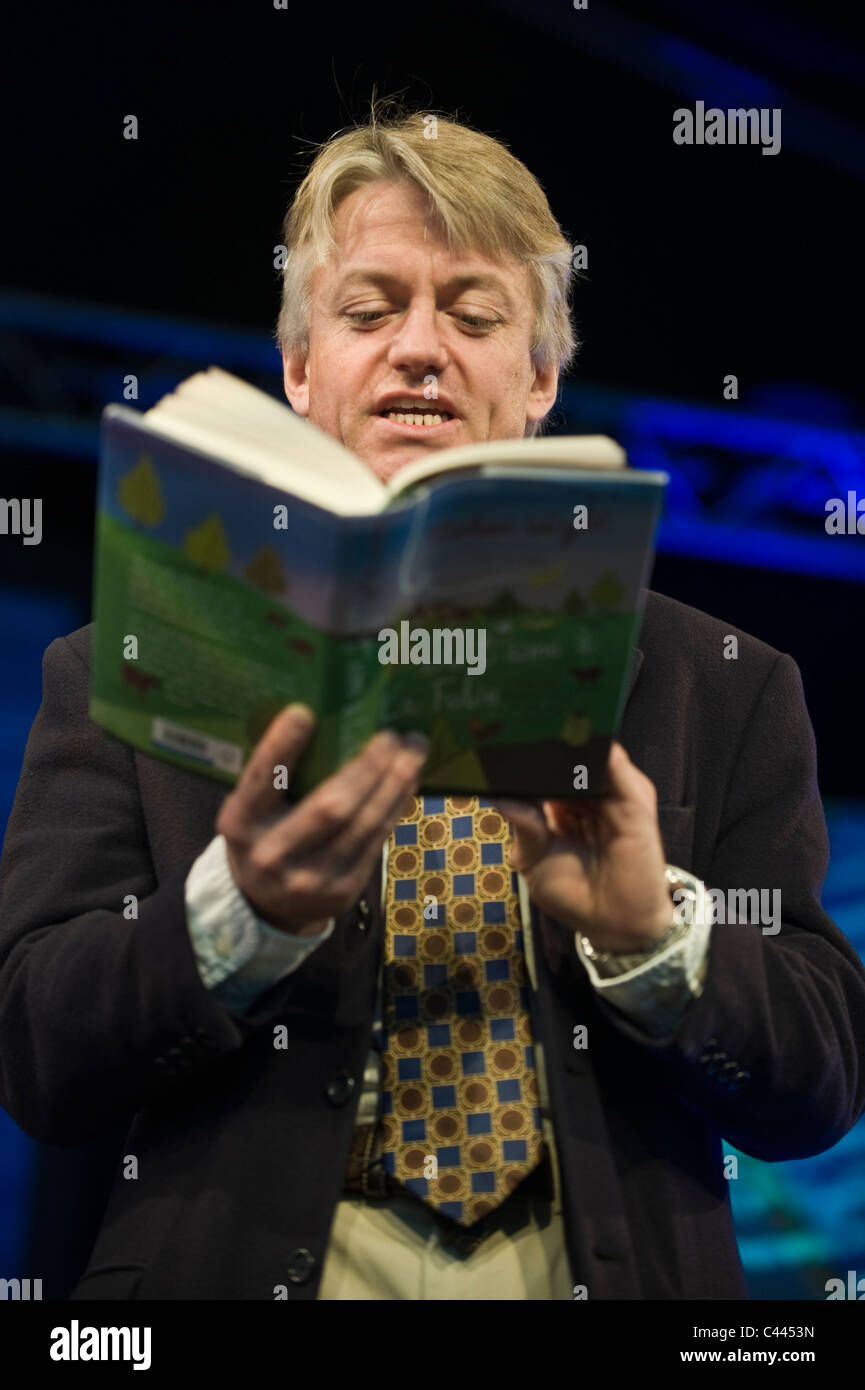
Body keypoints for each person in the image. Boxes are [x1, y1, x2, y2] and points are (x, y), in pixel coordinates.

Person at [1, 107, 864, 1301]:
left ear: (540, 376)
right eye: (368, 311)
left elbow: (817, 1081)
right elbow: (37, 1052)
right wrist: (234, 917)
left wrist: (652, 937)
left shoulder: (726, 685)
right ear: (301, 369)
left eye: (473, 315)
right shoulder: (127, 659)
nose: (420, 349)